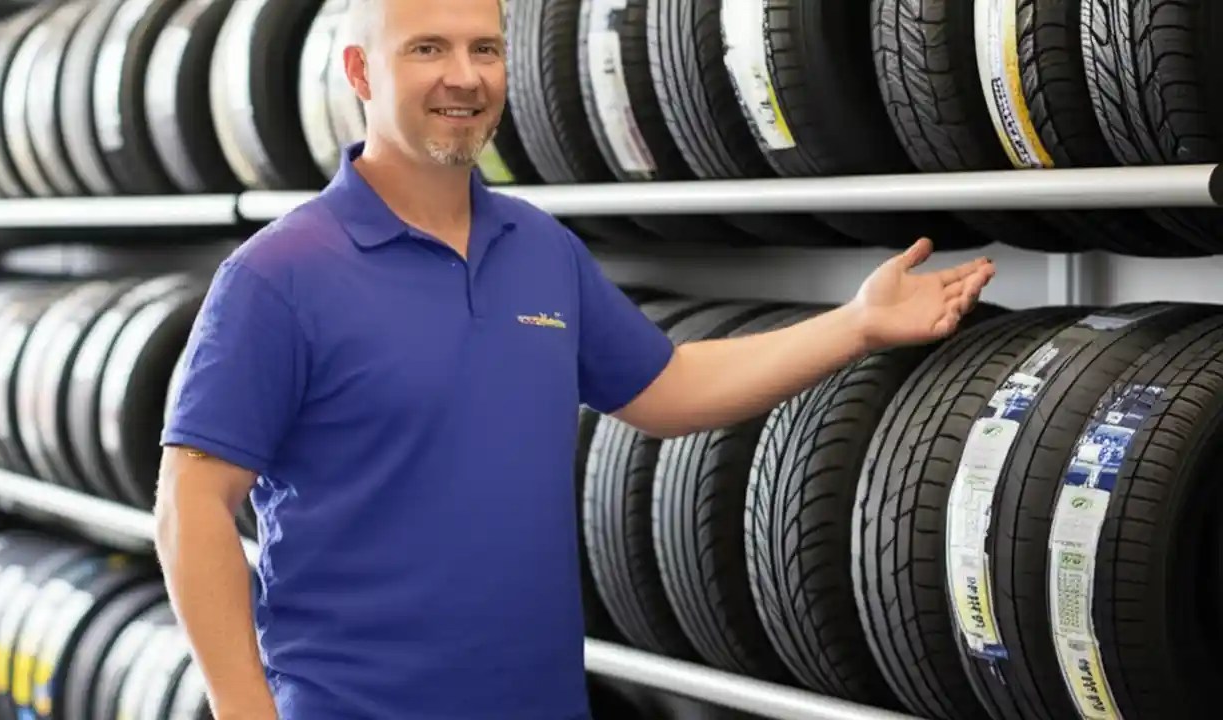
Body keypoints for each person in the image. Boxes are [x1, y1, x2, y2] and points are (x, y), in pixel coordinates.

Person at [152, 0, 995, 718]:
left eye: (484, 48)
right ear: (361, 72)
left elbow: (665, 387)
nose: (465, 76)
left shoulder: (539, 248)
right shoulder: (279, 274)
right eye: (427, 49)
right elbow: (192, 506)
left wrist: (855, 325)